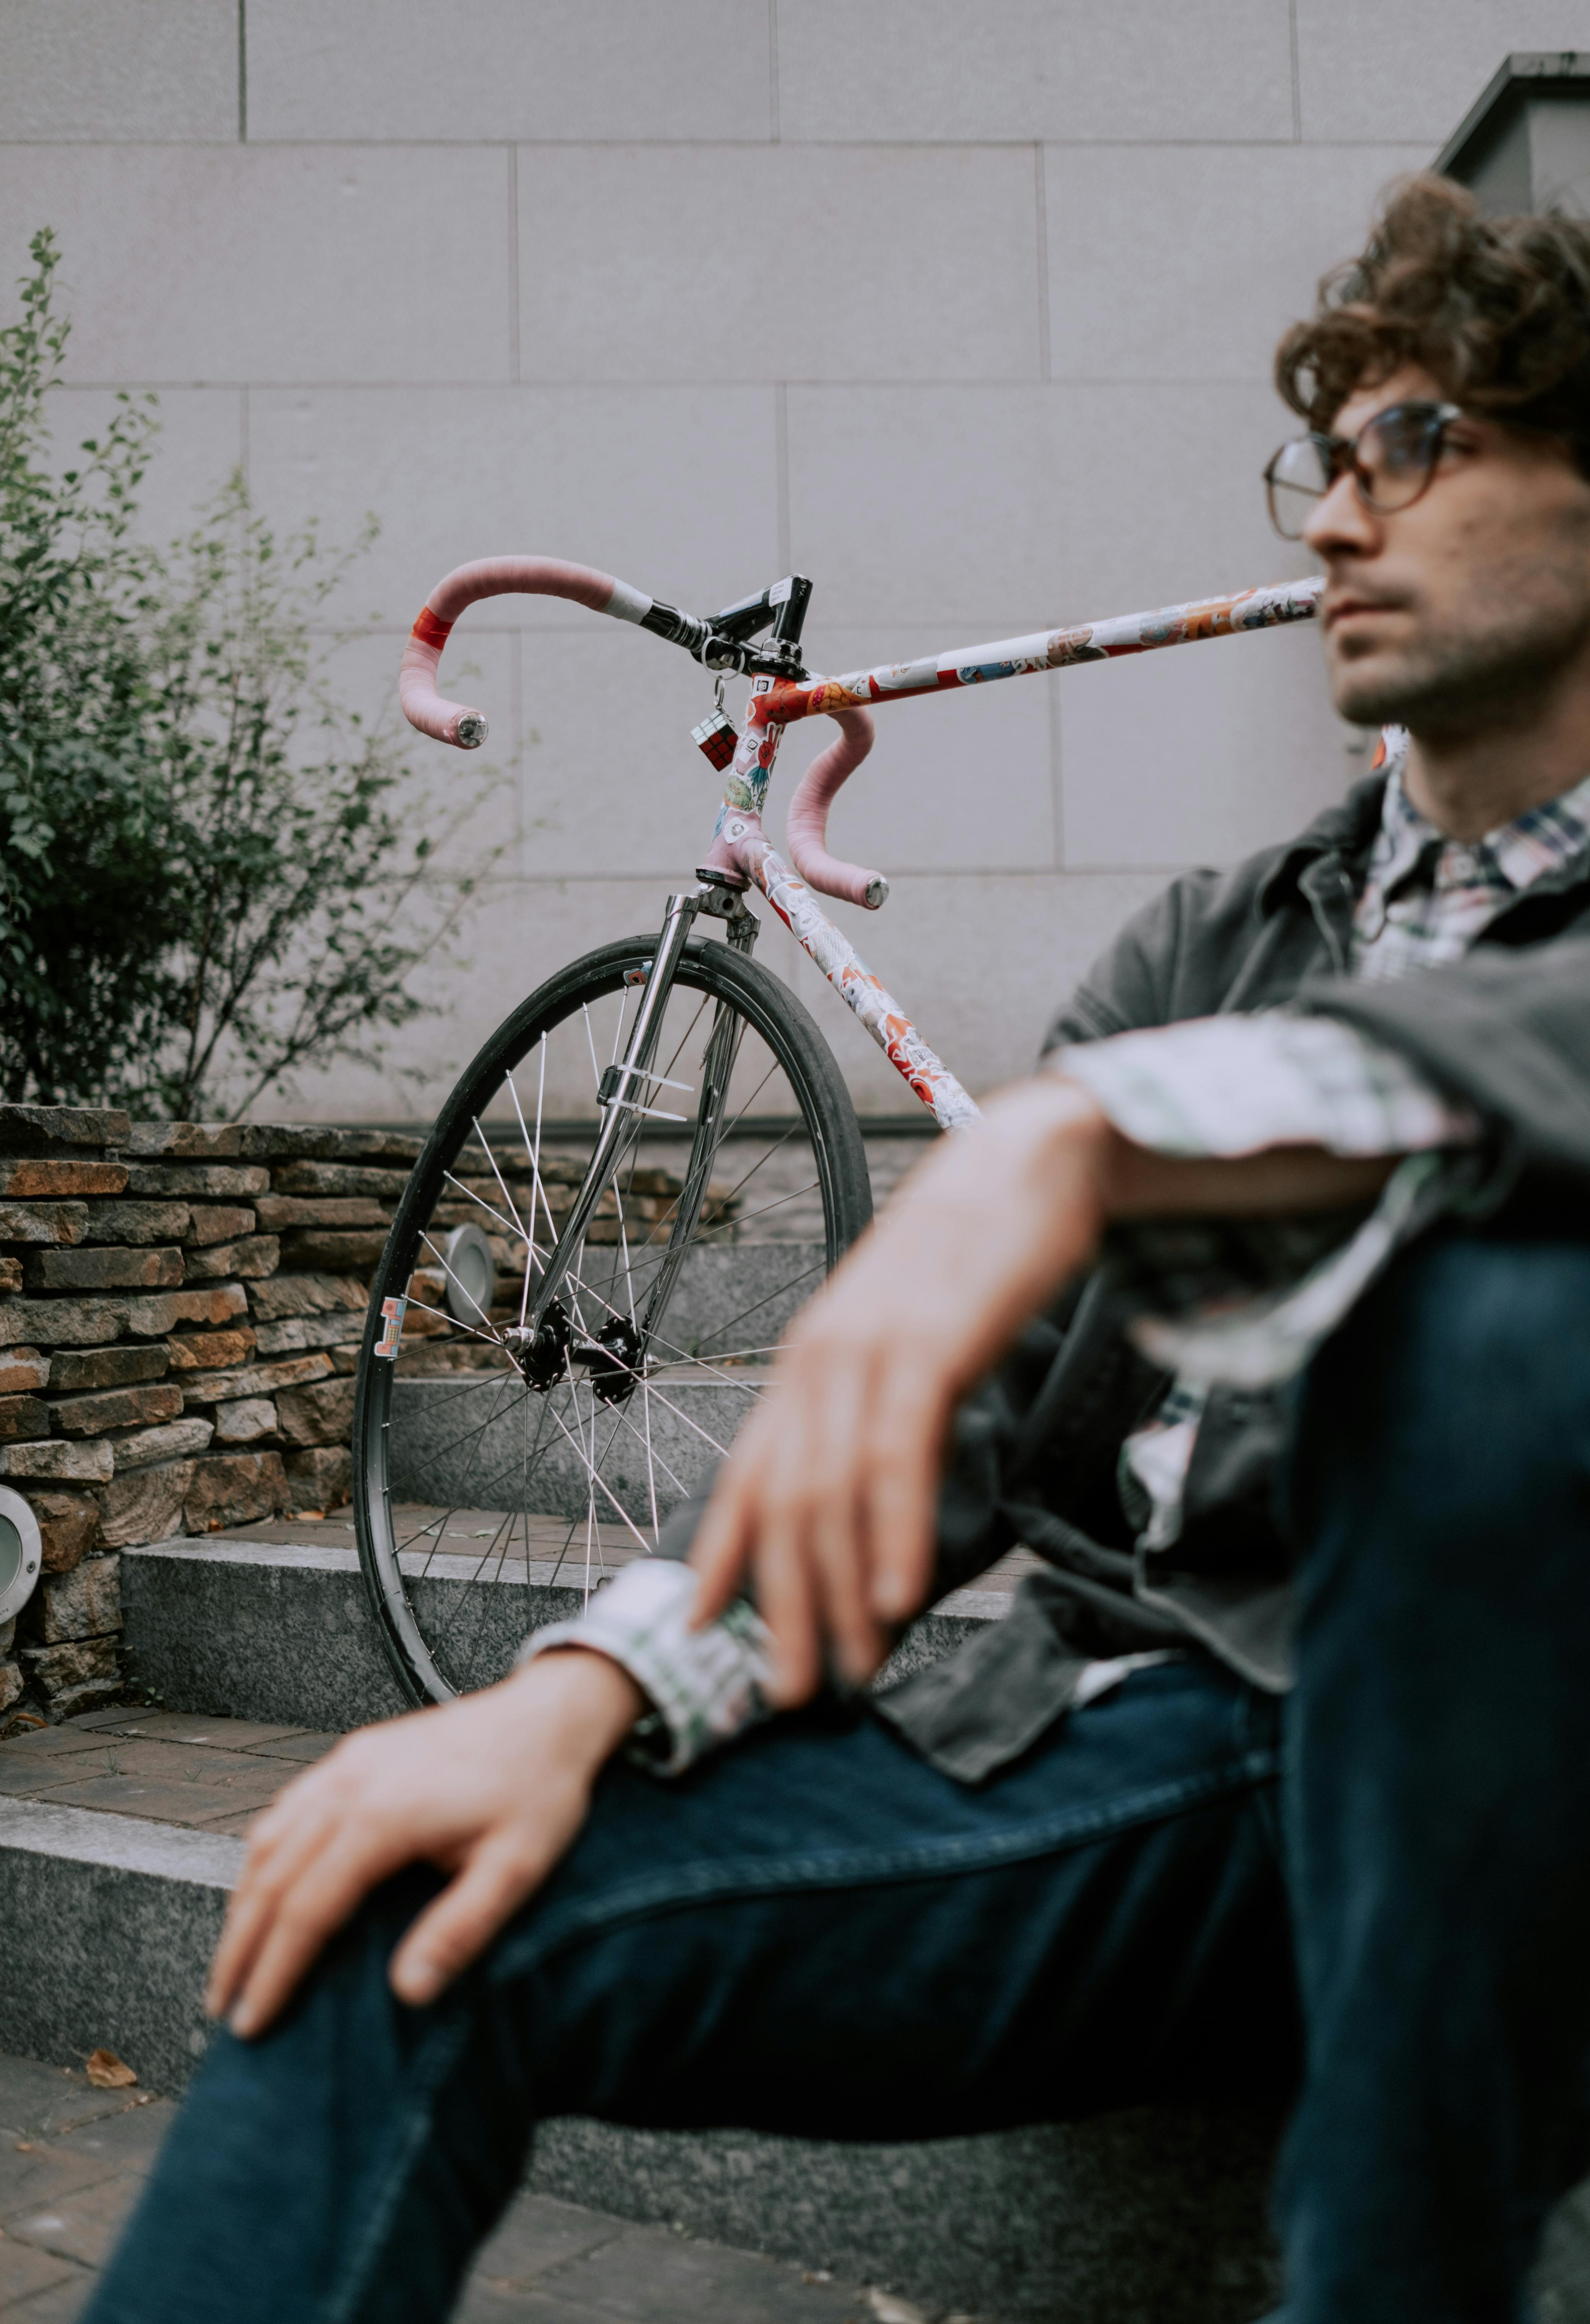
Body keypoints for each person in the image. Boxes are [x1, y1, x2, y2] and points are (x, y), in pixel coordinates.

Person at [86, 175, 1590, 2324]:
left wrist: (1074, 1135)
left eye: (1423, 444)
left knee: (1497, 1338)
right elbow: (961, 1427)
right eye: (1324, 461)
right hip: (1144, 1753)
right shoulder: (1222, 940)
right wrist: (594, 1686)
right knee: (392, 1897)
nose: (1340, 521)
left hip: (1517, 1776)